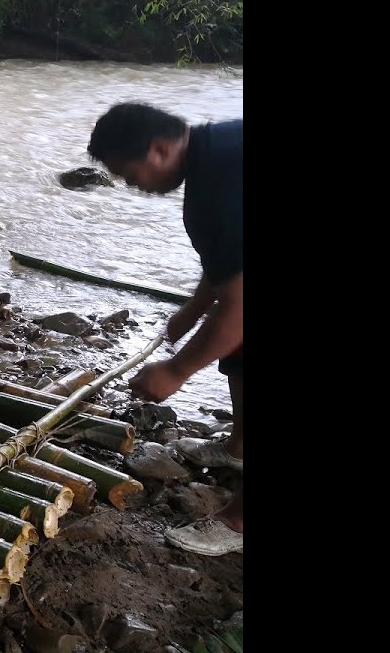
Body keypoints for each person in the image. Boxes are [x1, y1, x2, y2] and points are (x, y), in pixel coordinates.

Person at [87, 102, 243, 556]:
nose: (134, 186)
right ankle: (238, 447)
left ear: (158, 148)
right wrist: (194, 309)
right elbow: (230, 263)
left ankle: (237, 522)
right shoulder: (212, 158)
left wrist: (176, 371)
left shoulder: (223, 175)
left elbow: (239, 308)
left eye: (131, 174)